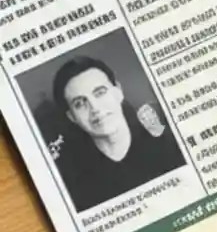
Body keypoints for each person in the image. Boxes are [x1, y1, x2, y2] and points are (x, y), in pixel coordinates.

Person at [52, 56, 185, 211]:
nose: (95, 108)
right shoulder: (72, 183)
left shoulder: (168, 145)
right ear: (72, 117)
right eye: (80, 103)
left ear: (118, 92)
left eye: (100, 93)